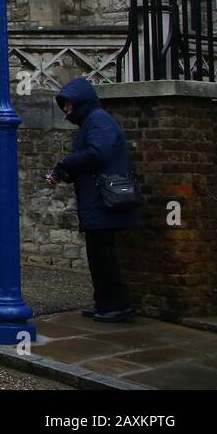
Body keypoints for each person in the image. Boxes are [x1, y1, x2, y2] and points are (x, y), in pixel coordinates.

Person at [48, 77, 139, 322]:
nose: (66, 110)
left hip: (104, 199)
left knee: (104, 255)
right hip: (95, 198)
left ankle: (117, 305)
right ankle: (105, 304)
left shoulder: (99, 120)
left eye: (68, 105)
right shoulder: (89, 123)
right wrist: (66, 173)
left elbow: (98, 154)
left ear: (81, 102)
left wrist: (66, 163)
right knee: (98, 255)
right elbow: (87, 161)